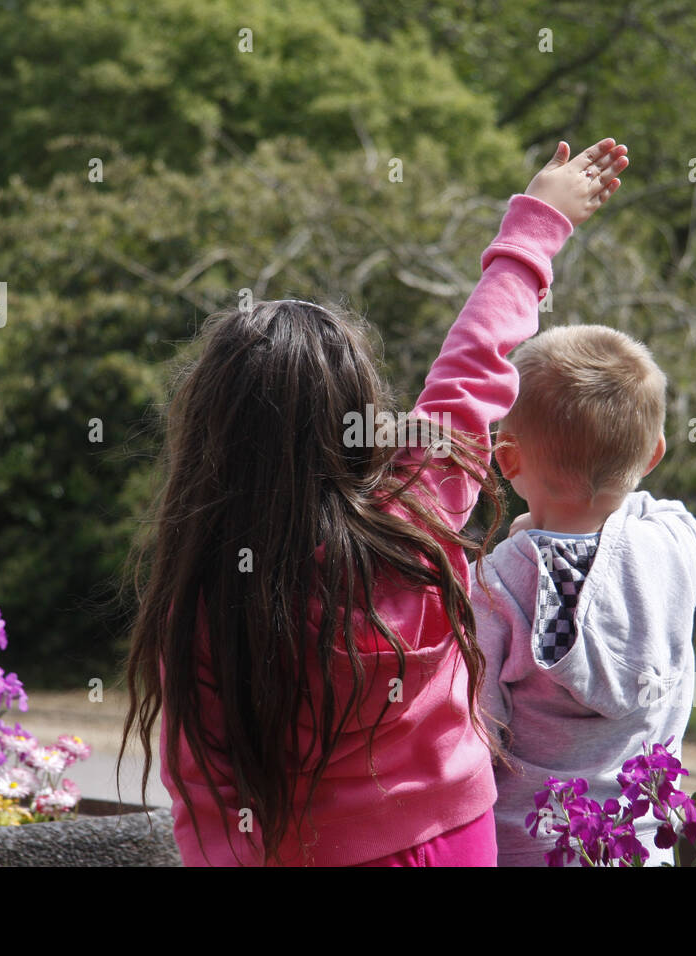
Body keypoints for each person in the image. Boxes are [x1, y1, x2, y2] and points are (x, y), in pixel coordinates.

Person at [118, 138, 630, 866]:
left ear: (208, 437)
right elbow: (473, 363)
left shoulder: (202, 599)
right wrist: (536, 223)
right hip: (457, 841)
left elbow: (207, 800)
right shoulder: (415, 509)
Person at [474, 323, 696, 866]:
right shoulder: (678, 545)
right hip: (643, 844)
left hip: (532, 849)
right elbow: (643, 511)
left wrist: (530, 531)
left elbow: (477, 740)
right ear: (654, 456)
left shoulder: (494, 585)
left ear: (506, 460)